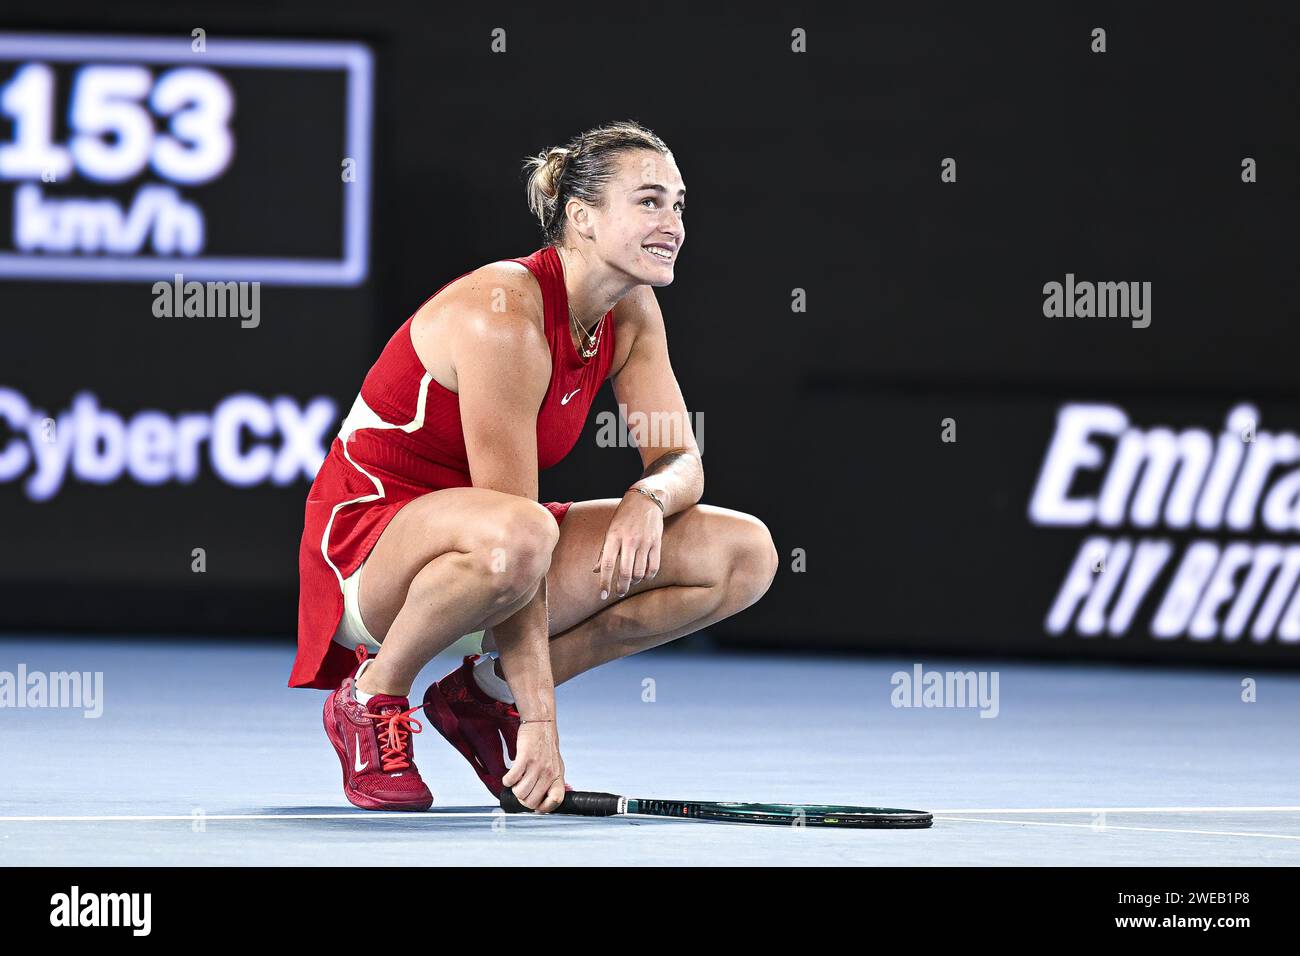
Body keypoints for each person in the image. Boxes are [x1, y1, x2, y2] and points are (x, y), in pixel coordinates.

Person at [292, 120, 778, 814]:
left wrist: (649, 494)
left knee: (740, 554)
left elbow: (678, 456)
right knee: (519, 536)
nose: (672, 222)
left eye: (678, 204)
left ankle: (481, 697)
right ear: (581, 217)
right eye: (648, 201)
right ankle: (371, 698)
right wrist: (543, 726)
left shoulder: (632, 309)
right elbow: (513, 528)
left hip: (497, 554)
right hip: (371, 558)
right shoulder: (503, 318)